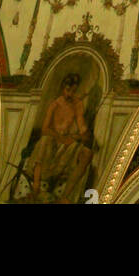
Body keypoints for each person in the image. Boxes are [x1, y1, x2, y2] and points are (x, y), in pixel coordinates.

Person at [30, 73, 93, 202]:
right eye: (68, 90)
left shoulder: (77, 104)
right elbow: (45, 129)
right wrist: (60, 138)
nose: (70, 94)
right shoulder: (55, 104)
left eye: (73, 91)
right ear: (62, 88)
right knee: (44, 141)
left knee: (87, 153)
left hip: (67, 144)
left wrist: (83, 134)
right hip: (51, 142)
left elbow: (81, 127)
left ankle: (65, 196)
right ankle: (36, 188)